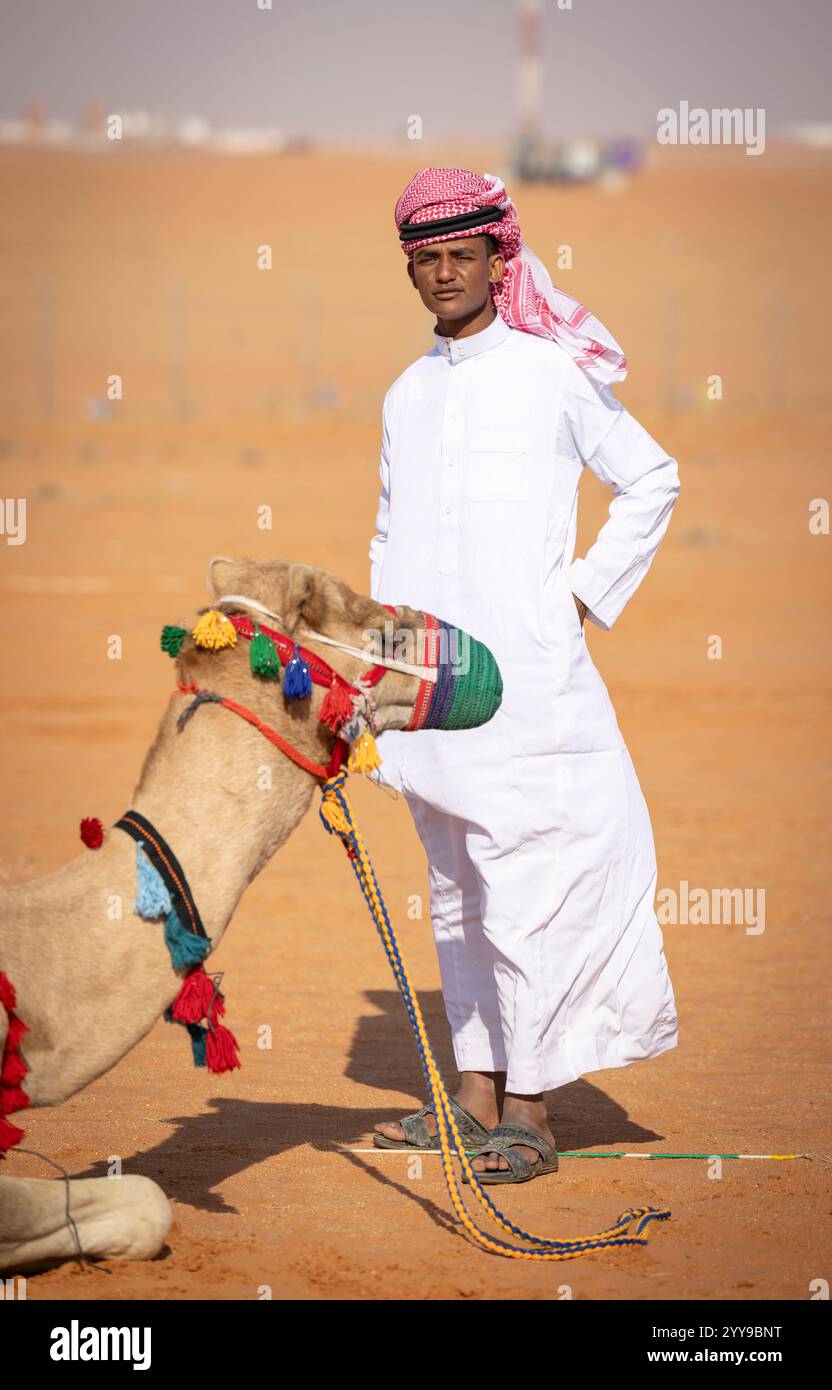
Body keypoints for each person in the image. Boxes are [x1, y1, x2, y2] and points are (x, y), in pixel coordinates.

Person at [368, 167, 679, 1183]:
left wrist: (581, 596)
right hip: (430, 691)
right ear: (410, 268)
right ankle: (471, 1097)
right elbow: (388, 535)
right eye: (427, 258)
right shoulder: (405, 395)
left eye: (463, 255)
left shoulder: (549, 375)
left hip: (533, 682)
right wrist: (384, 666)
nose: (444, 273)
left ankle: (534, 1111)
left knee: (530, 889)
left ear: (499, 259)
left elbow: (651, 477)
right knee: (455, 889)